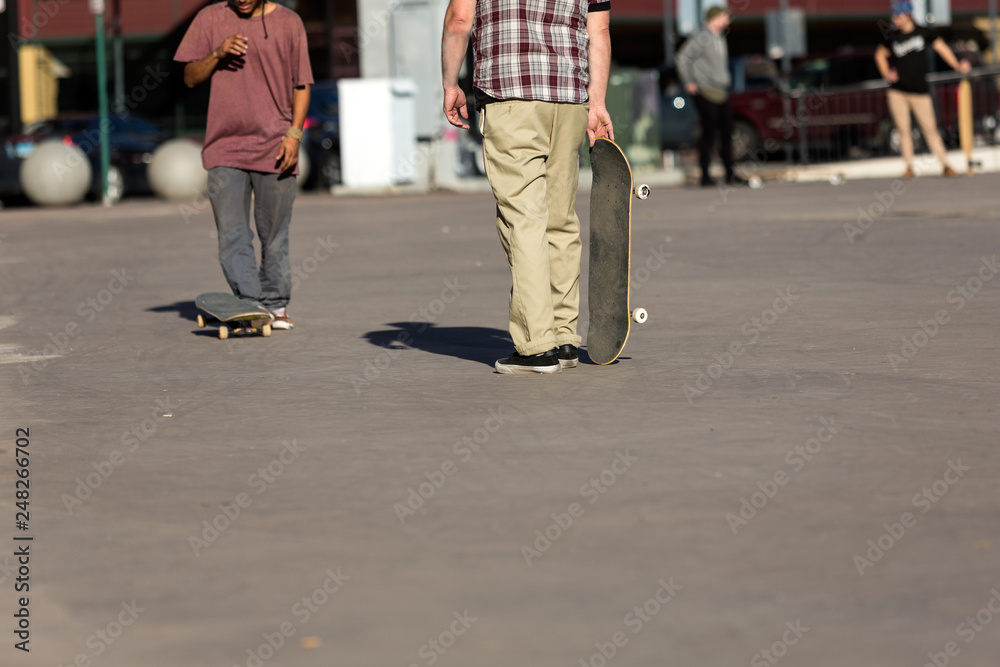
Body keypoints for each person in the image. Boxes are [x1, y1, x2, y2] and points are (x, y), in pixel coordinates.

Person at [441, 0, 614, 374]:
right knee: (560, 220)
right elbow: (598, 31)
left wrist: (450, 82)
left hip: (510, 95)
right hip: (569, 98)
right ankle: (565, 337)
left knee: (524, 219)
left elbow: (459, 20)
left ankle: (537, 347)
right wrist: (597, 101)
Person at [175, 0, 313, 330]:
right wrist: (218, 53)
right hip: (225, 148)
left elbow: (302, 85)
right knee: (232, 234)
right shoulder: (209, 18)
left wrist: (294, 135)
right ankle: (250, 304)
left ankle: (276, 305)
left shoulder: (289, 23)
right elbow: (190, 77)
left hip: (276, 145)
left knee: (274, 235)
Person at [875, 1, 970, 179]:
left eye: (898, 15)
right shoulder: (892, 36)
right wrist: (886, 73)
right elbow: (879, 55)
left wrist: (958, 65)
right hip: (897, 91)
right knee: (903, 130)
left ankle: (945, 164)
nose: (895, 19)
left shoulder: (923, 32)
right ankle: (909, 167)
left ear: (909, 15)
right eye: (894, 16)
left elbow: (942, 48)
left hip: (920, 91)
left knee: (930, 129)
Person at [677, 6, 741, 187]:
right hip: (705, 90)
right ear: (714, 18)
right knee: (709, 132)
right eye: (724, 16)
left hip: (721, 90)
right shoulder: (703, 37)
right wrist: (689, 80)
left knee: (727, 131)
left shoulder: (719, 36)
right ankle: (705, 174)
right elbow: (683, 57)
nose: (727, 19)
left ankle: (730, 173)